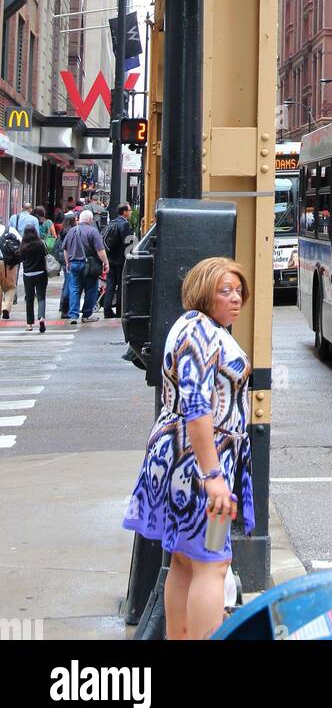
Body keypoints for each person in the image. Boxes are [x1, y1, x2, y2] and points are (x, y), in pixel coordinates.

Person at [122, 257, 254, 641]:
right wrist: (213, 477)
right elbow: (198, 409)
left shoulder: (195, 326)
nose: (235, 299)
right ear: (202, 292)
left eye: (238, 290)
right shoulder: (202, 334)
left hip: (180, 459)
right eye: (224, 290)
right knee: (213, 563)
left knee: (183, 560)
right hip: (199, 465)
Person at [62, 208, 109, 325]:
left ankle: (73, 315)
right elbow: (100, 250)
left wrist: (68, 262)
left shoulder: (72, 231)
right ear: (90, 220)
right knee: (91, 289)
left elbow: (65, 249)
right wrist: (106, 263)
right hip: (89, 265)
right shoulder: (93, 232)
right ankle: (86, 314)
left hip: (74, 264)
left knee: (74, 289)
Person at [102, 202, 134, 320]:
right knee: (121, 285)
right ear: (124, 212)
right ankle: (119, 310)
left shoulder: (113, 222)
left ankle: (107, 309)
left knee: (110, 285)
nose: (130, 212)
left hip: (111, 258)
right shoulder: (124, 224)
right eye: (129, 210)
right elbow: (128, 242)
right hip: (120, 260)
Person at [14, 226, 49, 334]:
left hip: (28, 275)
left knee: (29, 299)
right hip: (41, 273)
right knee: (41, 297)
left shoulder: (23, 246)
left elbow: (19, 258)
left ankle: (29, 324)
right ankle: (41, 318)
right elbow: (46, 256)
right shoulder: (40, 244)